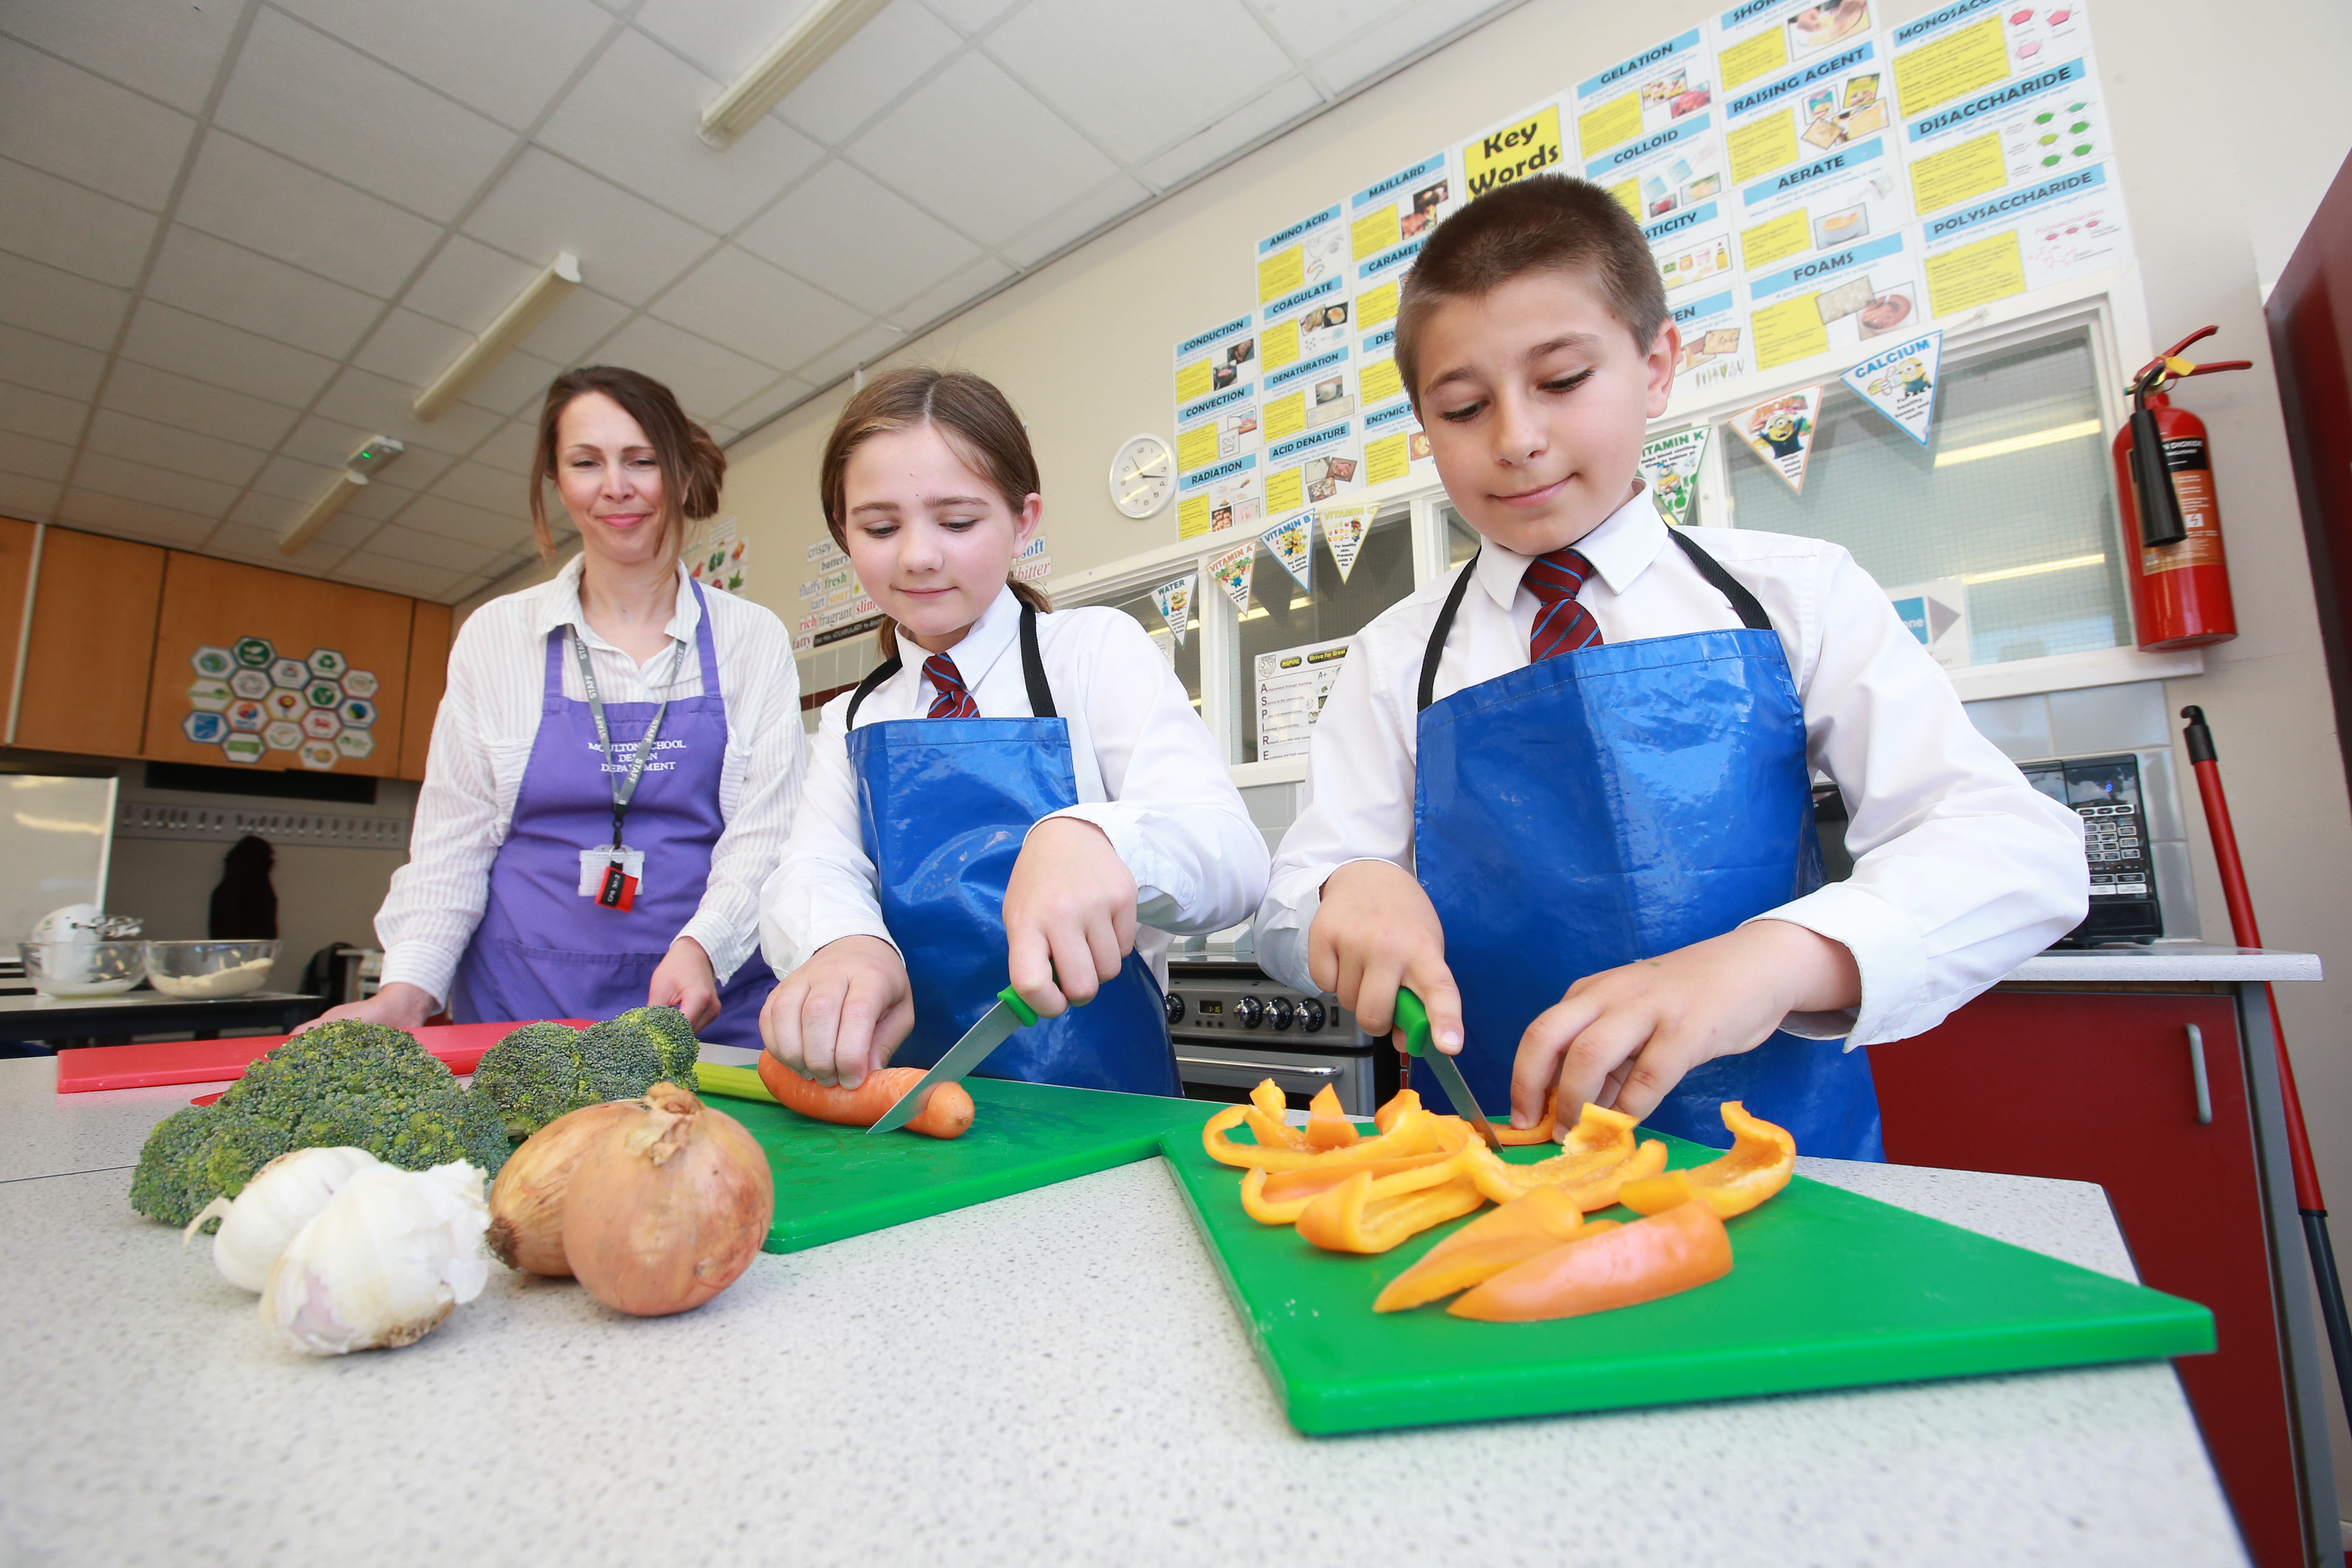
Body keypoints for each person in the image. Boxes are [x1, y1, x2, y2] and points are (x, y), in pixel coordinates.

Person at [1254, 176, 2087, 1159]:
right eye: (1465, 407)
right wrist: (1347, 886)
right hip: (1491, 1161)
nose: (1517, 440)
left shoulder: (1796, 595)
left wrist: (1768, 964)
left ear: (1655, 369)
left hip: (1773, 1155)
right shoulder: (1395, 658)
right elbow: (1292, 898)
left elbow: (2014, 848)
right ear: (1426, 428)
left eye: (1563, 381)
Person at [760, 367, 1266, 1094]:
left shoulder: (1093, 653)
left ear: (1023, 520)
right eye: (880, 528)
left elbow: (1233, 860)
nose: (918, 555)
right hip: (918, 1102)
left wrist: (1097, 838)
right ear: (845, 534)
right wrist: (844, 942)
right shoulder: (852, 718)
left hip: (1106, 1100)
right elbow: (815, 867)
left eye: (957, 522)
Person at [315, 366, 804, 1049]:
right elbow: (453, 840)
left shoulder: (751, 637)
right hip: (522, 1001)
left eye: (641, 461)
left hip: (703, 997)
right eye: (586, 463)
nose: (616, 486)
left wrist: (704, 946)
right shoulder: (495, 635)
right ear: (557, 479)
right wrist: (407, 990)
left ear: (682, 474)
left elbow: (766, 833)